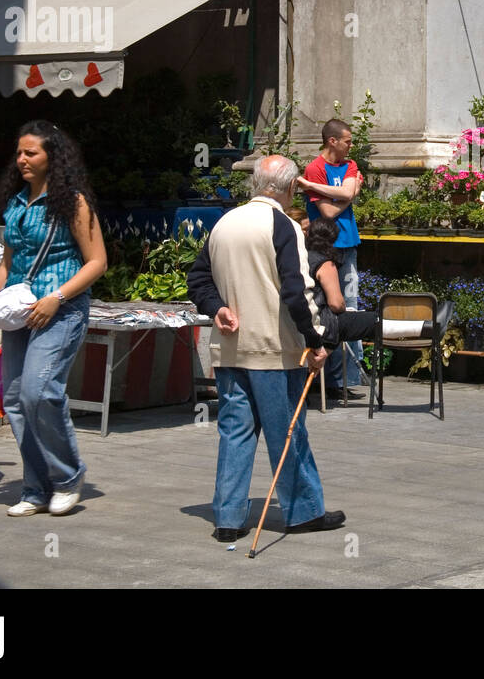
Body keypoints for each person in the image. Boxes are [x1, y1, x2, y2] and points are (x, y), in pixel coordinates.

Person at [186, 155, 344, 543]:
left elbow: (197, 278)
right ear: (291, 189)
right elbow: (297, 291)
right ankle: (303, 510)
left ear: (256, 183)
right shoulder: (284, 225)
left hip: (231, 350)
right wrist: (315, 339)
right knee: (287, 432)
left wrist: (216, 308)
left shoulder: (225, 222)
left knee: (235, 433)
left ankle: (228, 517)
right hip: (275, 351)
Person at [0, 121, 107, 517]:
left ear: (53, 156)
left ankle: (68, 477)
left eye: (30, 153)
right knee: (15, 399)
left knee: (40, 392)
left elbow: (98, 262)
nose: (22, 160)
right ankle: (36, 487)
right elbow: (9, 263)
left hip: (61, 309)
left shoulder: (73, 201)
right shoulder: (17, 202)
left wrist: (56, 297)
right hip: (19, 313)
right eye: (19, 153)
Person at [304, 216, 451, 347]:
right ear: (333, 239)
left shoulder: (303, 258)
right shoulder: (325, 263)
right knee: (371, 320)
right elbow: (336, 304)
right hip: (324, 323)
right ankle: (428, 328)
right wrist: (344, 309)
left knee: (365, 320)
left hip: (309, 320)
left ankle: (426, 327)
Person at [298, 119, 366, 402]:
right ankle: (327, 377)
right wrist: (349, 194)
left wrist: (315, 187)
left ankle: (347, 377)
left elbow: (346, 192)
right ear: (332, 141)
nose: (351, 145)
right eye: (348, 140)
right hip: (324, 247)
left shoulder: (348, 165)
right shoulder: (315, 168)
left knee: (349, 307)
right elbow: (327, 212)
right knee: (327, 309)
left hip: (348, 244)